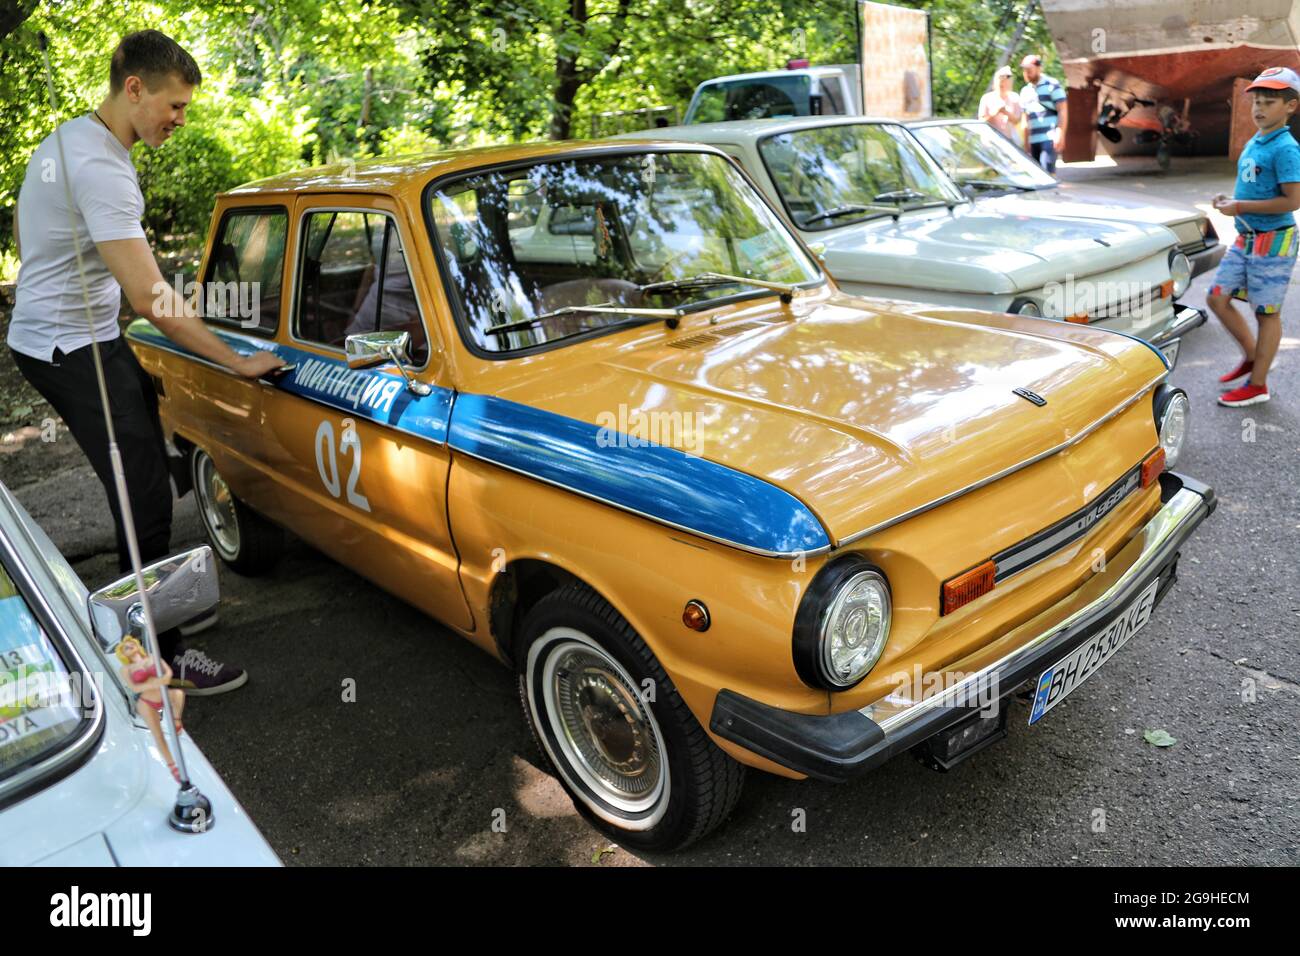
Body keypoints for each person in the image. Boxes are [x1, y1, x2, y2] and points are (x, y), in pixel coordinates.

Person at [7, 30, 283, 691]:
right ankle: (163, 649)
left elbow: (52, 245)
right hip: (65, 347)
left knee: (153, 453)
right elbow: (153, 300)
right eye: (176, 106)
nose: (180, 121)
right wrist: (237, 363)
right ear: (135, 89)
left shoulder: (76, 138)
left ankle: (158, 602)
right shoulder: (102, 168)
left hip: (82, 335)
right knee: (143, 494)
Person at [1207, 67, 1300, 407]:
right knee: (1217, 297)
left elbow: (1294, 200)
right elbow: (1251, 182)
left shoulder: (1287, 149)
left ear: (1291, 106)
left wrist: (1240, 206)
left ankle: (1258, 384)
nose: (1259, 108)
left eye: (1269, 101)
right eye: (1256, 101)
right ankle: (1253, 356)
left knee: (1267, 312)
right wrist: (1228, 201)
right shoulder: (1256, 139)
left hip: (1274, 240)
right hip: (1247, 237)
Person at [1019, 54, 1068, 173]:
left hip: (1049, 137)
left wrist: (1060, 134)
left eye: (1029, 69)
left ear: (1038, 68)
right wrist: (1026, 143)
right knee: (1036, 174)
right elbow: (1025, 119)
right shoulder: (1025, 91)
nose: (1027, 73)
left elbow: (1063, 110)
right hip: (1033, 139)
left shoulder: (1052, 85)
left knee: (1048, 171)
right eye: (1025, 70)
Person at [978, 65, 1023, 142]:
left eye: (1006, 81)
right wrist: (995, 112)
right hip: (990, 140)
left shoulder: (1015, 97)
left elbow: (1018, 121)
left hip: (1008, 141)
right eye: (1000, 80)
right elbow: (981, 121)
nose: (1002, 83)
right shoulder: (987, 98)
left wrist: (1005, 112)